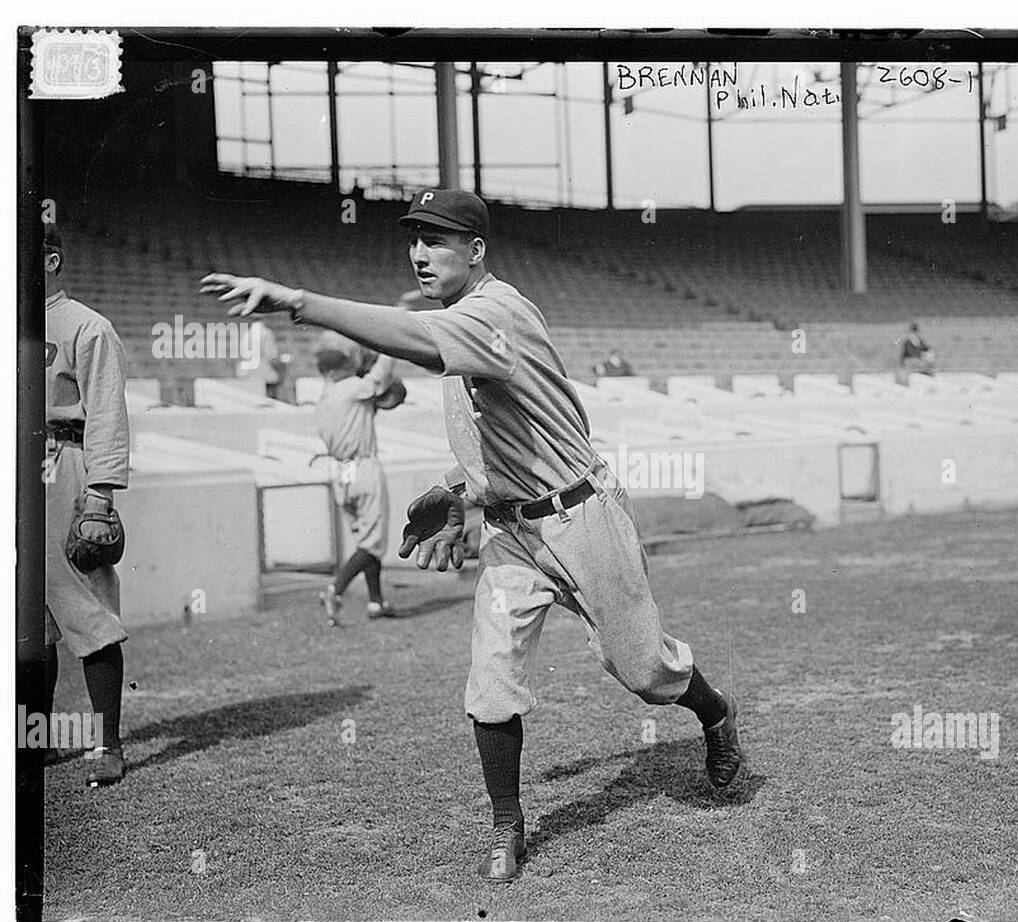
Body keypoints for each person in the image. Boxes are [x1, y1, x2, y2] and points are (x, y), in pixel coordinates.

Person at [201, 187, 743, 883]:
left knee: (644, 669)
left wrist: (297, 302)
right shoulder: (462, 318)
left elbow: (421, 344)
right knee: (491, 676)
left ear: (476, 250)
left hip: (581, 515)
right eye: (414, 239)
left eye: (437, 240)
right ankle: (508, 824)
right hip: (514, 534)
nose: (419, 253)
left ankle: (716, 712)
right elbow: (493, 446)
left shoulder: (497, 313)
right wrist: (456, 491)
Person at [43, 224, 132, 786]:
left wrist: (99, 494)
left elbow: (105, 413)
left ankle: (107, 745)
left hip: (65, 461)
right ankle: (38, 740)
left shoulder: (87, 326)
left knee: (83, 604)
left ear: (49, 260)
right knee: (28, 615)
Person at [313, 330, 399, 624]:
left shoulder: (324, 397)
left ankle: (376, 601)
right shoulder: (353, 388)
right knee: (372, 543)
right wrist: (389, 344)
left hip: (340, 473)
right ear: (342, 368)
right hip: (363, 468)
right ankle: (335, 590)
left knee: (365, 539)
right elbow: (382, 377)